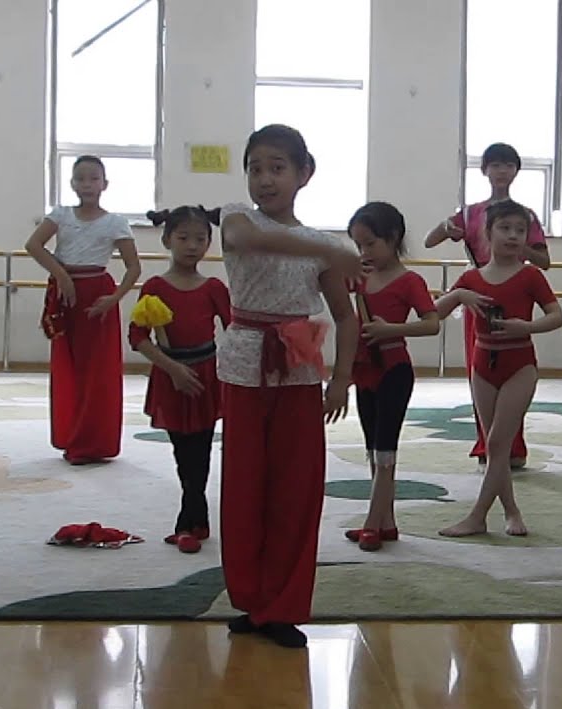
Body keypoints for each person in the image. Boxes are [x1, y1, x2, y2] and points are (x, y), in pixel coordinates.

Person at [217, 124, 363, 649]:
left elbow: (347, 317)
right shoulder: (237, 216)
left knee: (295, 492)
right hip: (243, 368)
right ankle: (251, 600)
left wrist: (341, 380)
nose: (265, 179)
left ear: (305, 173)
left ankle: (280, 607)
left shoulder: (321, 249)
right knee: (243, 489)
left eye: (277, 168)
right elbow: (250, 240)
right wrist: (332, 245)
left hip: (300, 374)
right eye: (256, 168)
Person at [433, 199, 562, 538]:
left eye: (520, 230)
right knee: (497, 446)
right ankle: (511, 511)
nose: (513, 236)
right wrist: (459, 295)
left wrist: (527, 327)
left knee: (496, 443)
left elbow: (556, 316)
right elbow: (434, 313)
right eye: (505, 228)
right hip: (483, 365)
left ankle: (477, 517)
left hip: (519, 365)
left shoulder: (530, 275)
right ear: (487, 233)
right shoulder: (471, 278)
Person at [424, 142, 550, 468]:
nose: (502, 171)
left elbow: (544, 261)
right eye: (495, 165)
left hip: (515, 289)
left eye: (508, 165)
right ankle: (487, 444)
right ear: (484, 171)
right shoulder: (470, 213)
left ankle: (512, 447)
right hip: (478, 293)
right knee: (480, 370)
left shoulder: (526, 216)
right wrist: (446, 228)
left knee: (517, 368)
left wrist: (515, 245)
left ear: (517, 171)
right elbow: (429, 240)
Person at [24, 156, 141, 465]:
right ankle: (70, 435)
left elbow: (133, 267)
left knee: (98, 372)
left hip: (98, 297)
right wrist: (61, 275)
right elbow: (33, 245)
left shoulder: (116, 221)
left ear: (104, 184)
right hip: (67, 295)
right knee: (68, 367)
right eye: (81, 178)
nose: (87, 184)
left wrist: (114, 298)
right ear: (72, 184)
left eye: (93, 178)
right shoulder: (61, 214)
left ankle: (93, 443)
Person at [129, 205, 231, 555]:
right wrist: (172, 369)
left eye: (200, 239)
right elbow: (137, 336)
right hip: (171, 375)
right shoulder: (155, 287)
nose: (192, 246)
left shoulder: (214, 287)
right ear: (167, 240)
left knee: (201, 451)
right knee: (182, 451)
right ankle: (194, 521)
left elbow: (234, 330)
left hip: (205, 376)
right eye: (184, 237)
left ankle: (188, 525)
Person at [345, 202, 440, 551]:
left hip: (393, 370)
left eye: (371, 243)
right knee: (373, 448)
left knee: (386, 449)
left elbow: (432, 323)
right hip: (364, 370)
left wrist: (392, 330)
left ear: (393, 237)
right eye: (359, 245)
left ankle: (372, 523)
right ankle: (386, 521)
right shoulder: (360, 278)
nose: (364, 252)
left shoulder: (410, 281)